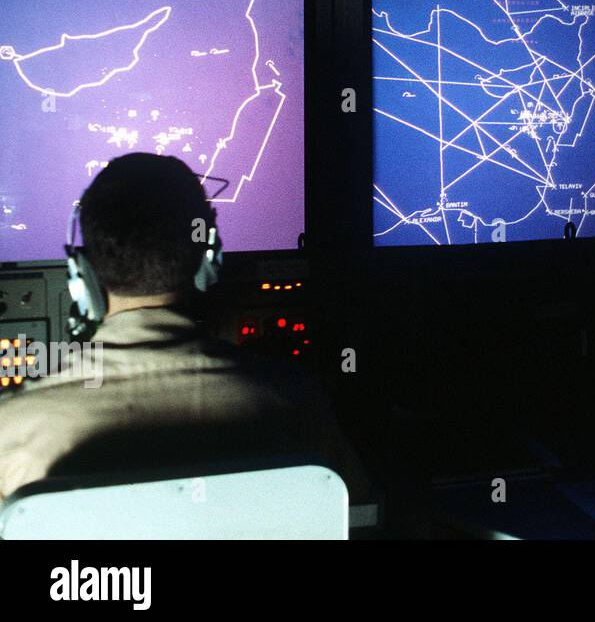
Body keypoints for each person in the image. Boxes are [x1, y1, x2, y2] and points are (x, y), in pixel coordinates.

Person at [0, 153, 366, 503]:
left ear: (81, 276)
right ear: (210, 256)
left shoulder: (12, 428)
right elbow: (359, 517)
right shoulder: (295, 401)